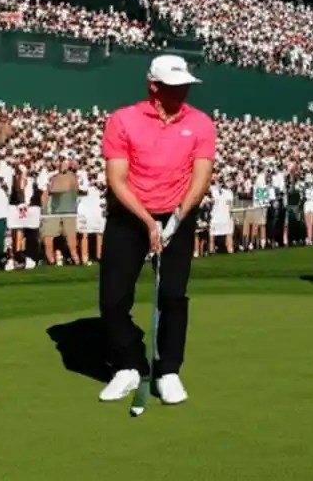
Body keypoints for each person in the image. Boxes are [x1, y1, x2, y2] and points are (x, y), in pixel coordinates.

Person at [97, 55, 215, 406]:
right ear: (154, 86)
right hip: (129, 215)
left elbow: (202, 176)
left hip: (178, 215)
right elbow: (116, 179)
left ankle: (168, 371)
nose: (182, 93)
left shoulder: (201, 123)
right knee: (113, 299)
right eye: (174, 87)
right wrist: (149, 222)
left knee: (173, 296)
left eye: (185, 86)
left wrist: (175, 221)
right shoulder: (123, 119)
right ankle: (129, 364)